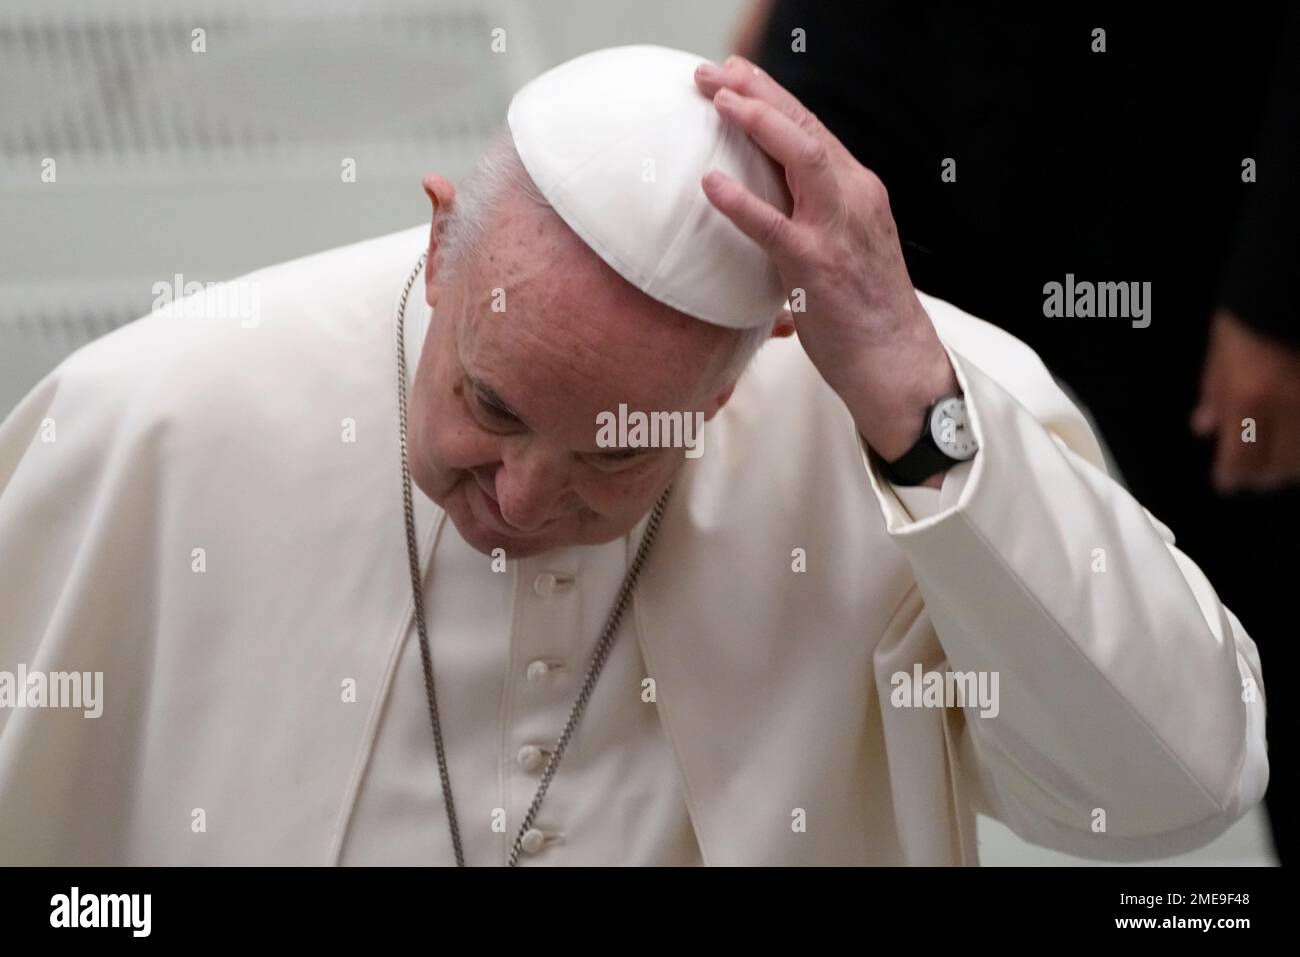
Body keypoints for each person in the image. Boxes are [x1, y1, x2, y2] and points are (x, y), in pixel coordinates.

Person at [0, 45, 1267, 865]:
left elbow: (1173, 790)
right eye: (490, 409)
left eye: (616, 455)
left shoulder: (894, 428)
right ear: (442, 251)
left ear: (742, 372)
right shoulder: (154, 418)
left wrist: (912, 401)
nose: (521, 501)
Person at [742, 1, 1300, 861]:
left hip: (1174, 159)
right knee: (790, 521)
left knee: (1238, 614)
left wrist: (1278, 296)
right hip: (887, 82)